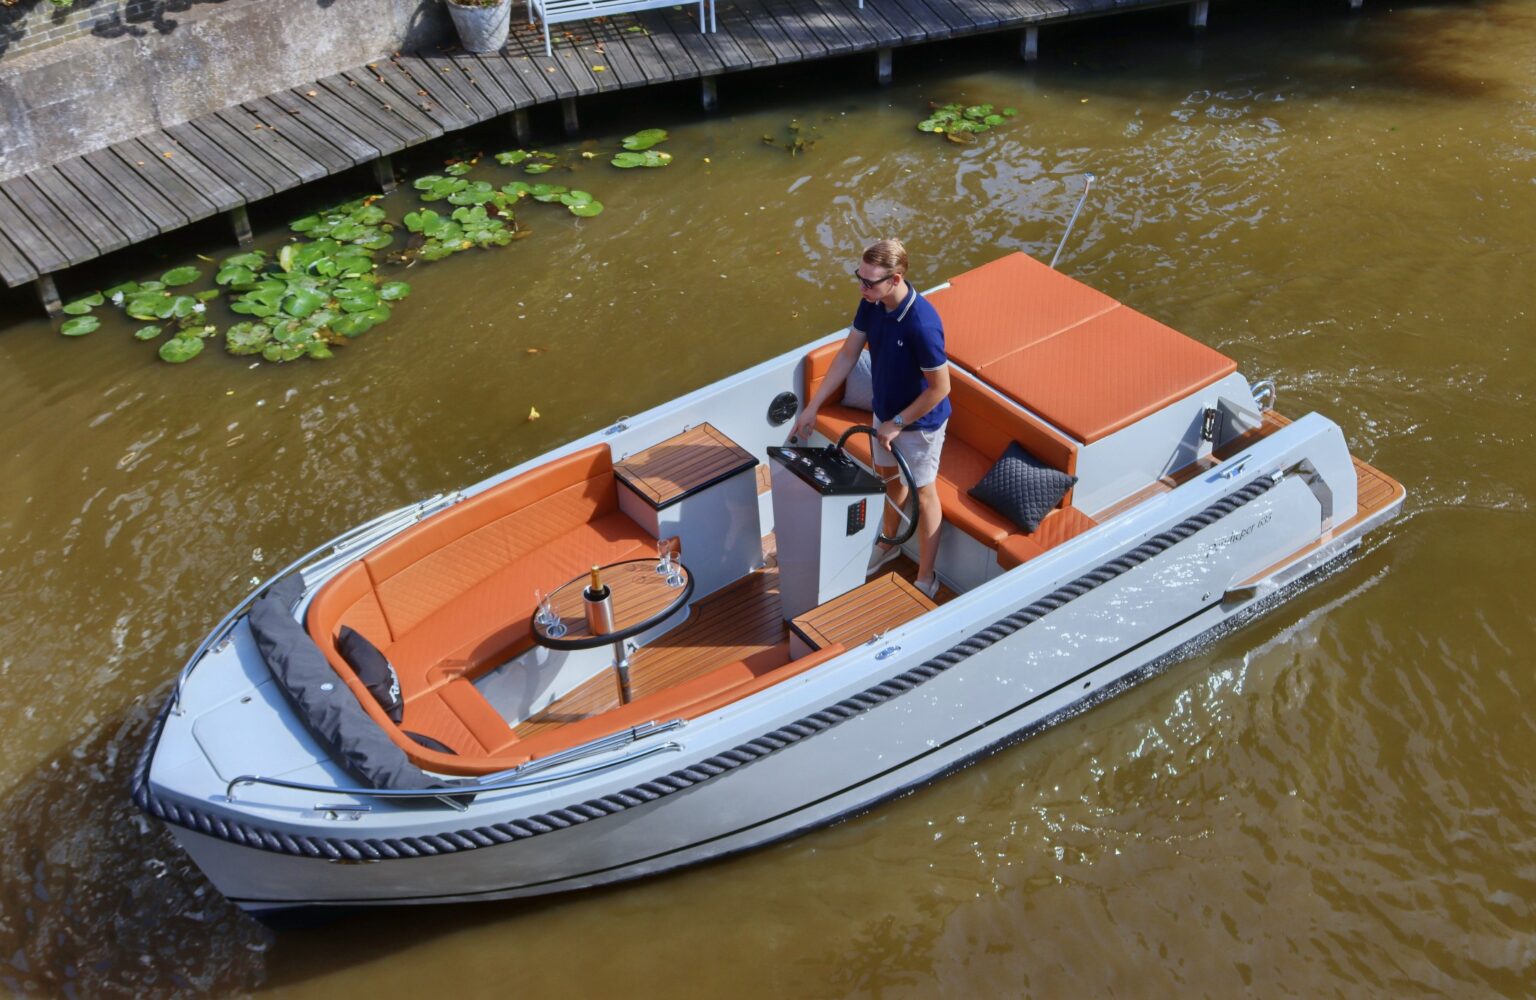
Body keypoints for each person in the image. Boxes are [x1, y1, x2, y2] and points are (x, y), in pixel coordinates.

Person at [795, 238, 951, 599]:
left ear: (895, 279)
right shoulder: (872, 303)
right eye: (859, 279)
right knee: (887, 478)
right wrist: (813, 406)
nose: (862, 288)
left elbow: (940, 388)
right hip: (884, 413)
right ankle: (890, 544)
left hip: (920, 425)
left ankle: (927, 577)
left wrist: (898, 422)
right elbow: (849, 354)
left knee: (924, 494)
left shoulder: (922, 324)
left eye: (870, 282)